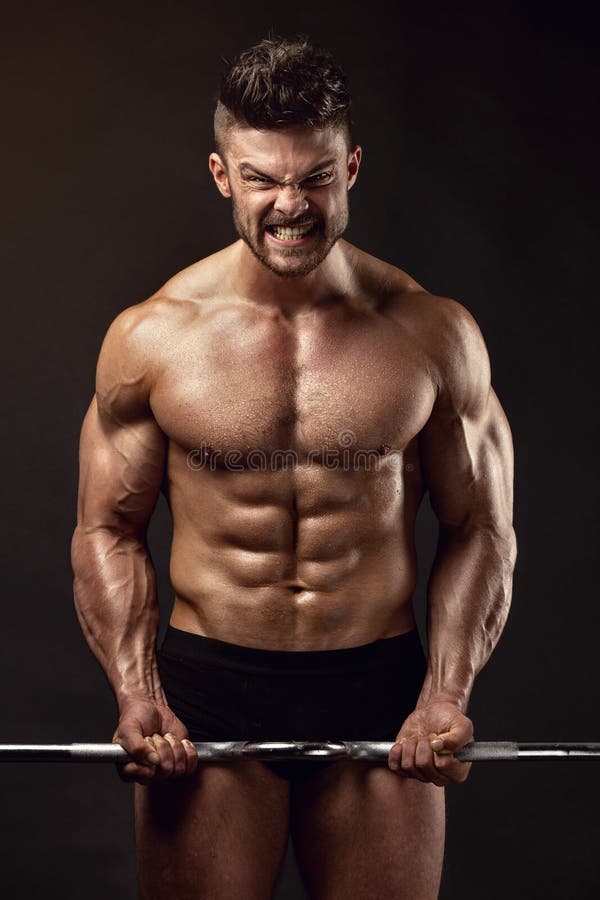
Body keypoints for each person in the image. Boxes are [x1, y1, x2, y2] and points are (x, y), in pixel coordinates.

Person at [71, 35, 517, 900]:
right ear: (221, 176)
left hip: (376, 690)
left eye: (314, 177)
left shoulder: (432, 335)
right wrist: (136, 692)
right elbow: (106, 528)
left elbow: (482, 528)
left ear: (350, 167)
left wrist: (445, 692)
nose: (289, 205)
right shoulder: (153, 338)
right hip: (209, 693)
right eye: (263, 178)